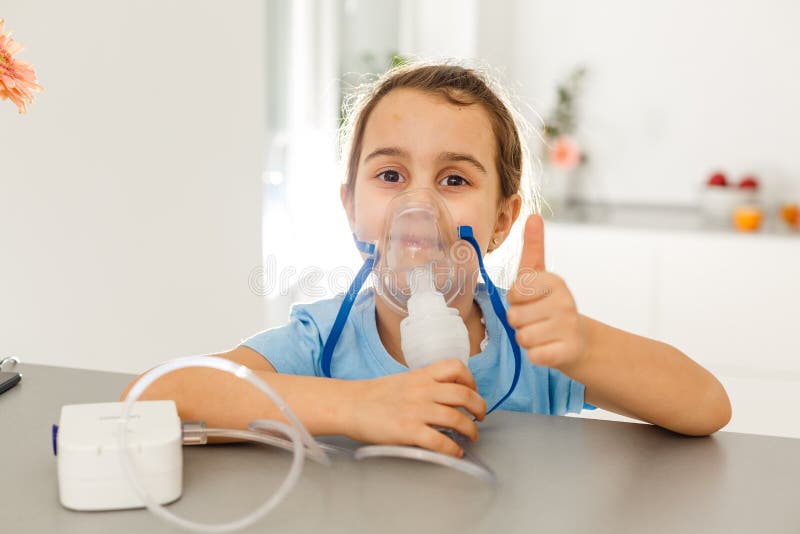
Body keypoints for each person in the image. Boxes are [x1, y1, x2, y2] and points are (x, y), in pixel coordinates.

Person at [122, 63, 731, 458]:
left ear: (501, 218)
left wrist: (584, 347)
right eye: (390, 174)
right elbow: (156, 393)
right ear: (351, 207)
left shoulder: (531, 345)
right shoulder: (324, 344)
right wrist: (357, 408)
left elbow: (707, 406)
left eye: (454, 178)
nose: (419, 206)